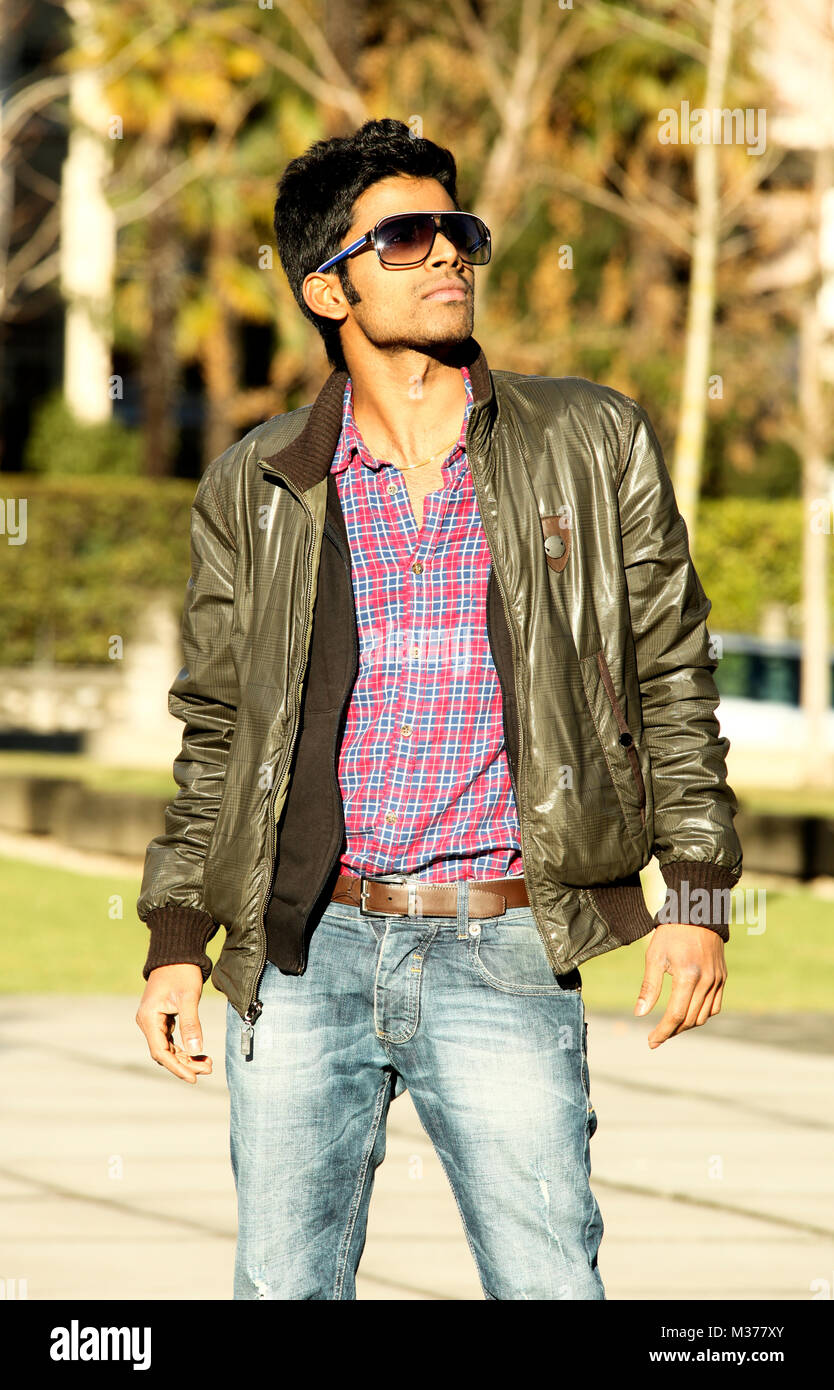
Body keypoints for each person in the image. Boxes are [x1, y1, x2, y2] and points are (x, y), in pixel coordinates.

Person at [135, 117, 742, 1301]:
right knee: (282, 1288)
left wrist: (701, 893)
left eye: (456, 230)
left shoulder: (590, 438)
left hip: (507, 940)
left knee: (551, 1285)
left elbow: (671, 669)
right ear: (328, 289)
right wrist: (175, 941)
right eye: (405, 238)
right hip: (307, 950)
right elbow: (217, 731)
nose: (448, 253)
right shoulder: (258, 482)